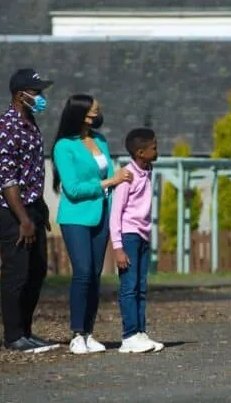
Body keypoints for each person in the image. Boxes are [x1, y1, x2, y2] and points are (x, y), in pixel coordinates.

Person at [52, 94, 133, 354]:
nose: (98, 114)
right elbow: (73, 189)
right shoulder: (64, 146)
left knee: (95, 275)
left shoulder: (100, 140)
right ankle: (76, 333)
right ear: (81, 114)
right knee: (83, 271)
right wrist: (109, 183)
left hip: (101, 215)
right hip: (75, 217)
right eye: (94, 111)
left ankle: (88, 331)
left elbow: (110, 173)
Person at [0, 69, 59, 352]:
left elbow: (31, 172)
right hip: (12, 211)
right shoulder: (6, 127)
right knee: (16, 272)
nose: (42, 97)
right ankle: (13, 335)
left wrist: (39, 209)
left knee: (37, 270)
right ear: (21, 95)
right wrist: (23, 219)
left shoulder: (30, 123)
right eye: (37, 92)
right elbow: (7, 179)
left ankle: (26, 332)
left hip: (32, 207)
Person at [109, 127, 164, 354]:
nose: (157, 150)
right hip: (129, 236)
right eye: (153, 147)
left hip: (143, 235)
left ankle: (141, 332)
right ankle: (129, 335)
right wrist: (118, 247)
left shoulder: (148, 170)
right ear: (140, 152)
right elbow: (115, 214)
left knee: (141, 287)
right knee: (129, 287)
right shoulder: (126, 176)